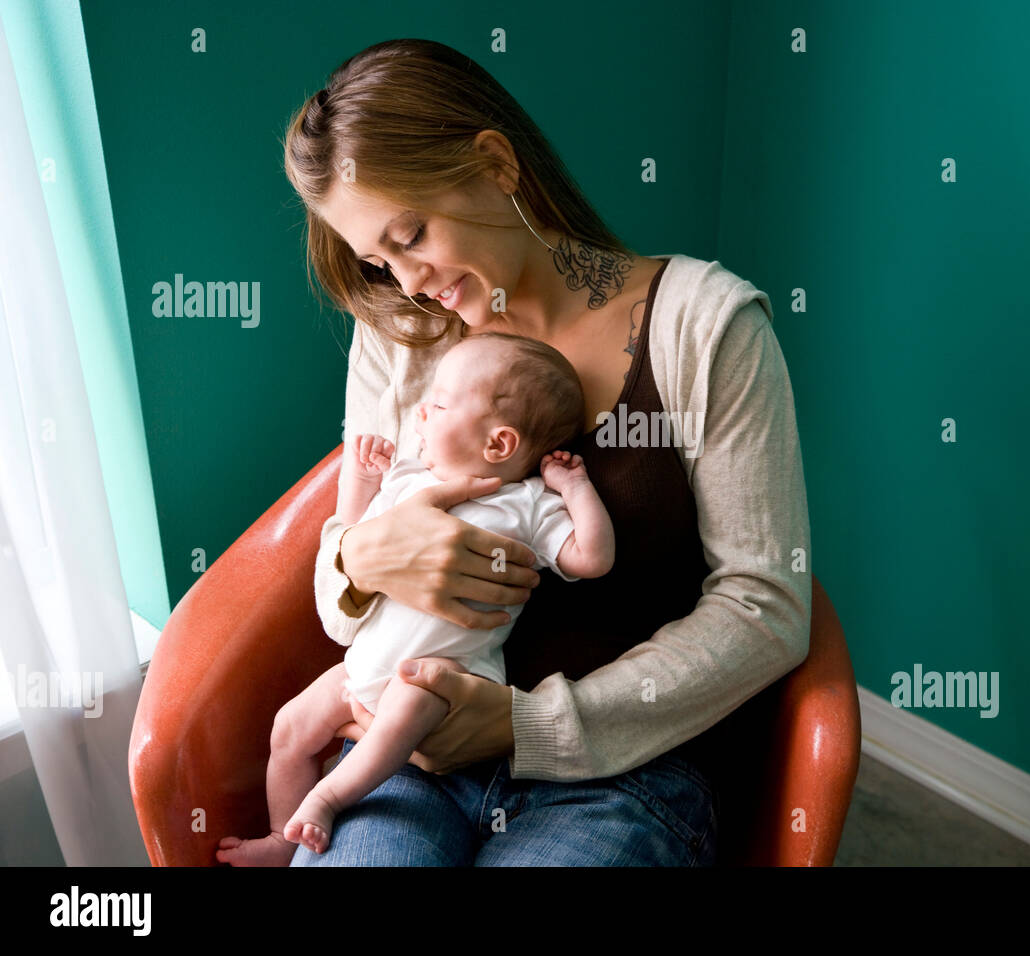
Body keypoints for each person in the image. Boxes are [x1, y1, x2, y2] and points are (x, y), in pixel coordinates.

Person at [283, 38, 811, 866]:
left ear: (495, 162)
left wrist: (532, 727)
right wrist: (364, 555)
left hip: (618, 774)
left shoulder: (705, 328)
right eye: (379, 261)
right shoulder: (398, 336)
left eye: (412, 233)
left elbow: (765, 608)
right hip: (406, 753)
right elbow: (333, 589)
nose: (410, 283)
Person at [215, 334, 613, 865]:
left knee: (404, 708)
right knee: (290, 724)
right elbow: (354, 539)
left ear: (499, 444)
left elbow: (591, 558)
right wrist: (360, 478)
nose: (422, 411)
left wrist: (575, 487)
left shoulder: (528, 505)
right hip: (361, 667)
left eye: (441, 404)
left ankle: (329, 797)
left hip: (443, 680)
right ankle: (281, 838)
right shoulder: (407, 479)